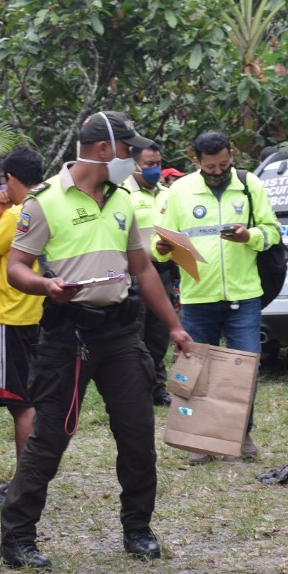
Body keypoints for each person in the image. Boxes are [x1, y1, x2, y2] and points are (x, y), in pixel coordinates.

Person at [0, 110, 192, 570]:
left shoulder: (122, 200)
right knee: (50, 436)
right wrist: (47, 286)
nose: (133, 158)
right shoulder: (45, 201)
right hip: (69, 335)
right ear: (104, 149)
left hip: (122, 333)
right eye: (128, 150)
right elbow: (16, 268)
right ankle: (17, 540)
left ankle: (138, 530)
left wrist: (176, 326)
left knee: (138, 434)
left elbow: (143, 270)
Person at [154, 130, 281, 463]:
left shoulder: (249, 184)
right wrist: (163, 248)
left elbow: (272, 232)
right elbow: (164, 246)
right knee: (197, 372)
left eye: (224, 164)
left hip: (244, 296)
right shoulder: (180, 191)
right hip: (198, 297)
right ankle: (201, 441)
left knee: (244, 371)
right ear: (196, 161)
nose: (218, 171)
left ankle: (241, 435)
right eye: (210, 166)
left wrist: (249, 235)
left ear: (231, 156)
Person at [0, 145, 46, 510]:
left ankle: (23, 484)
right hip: (35, 315)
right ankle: (28, 477)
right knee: (29, 398)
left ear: (11, 179)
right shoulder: (46, 205)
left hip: (8, 315)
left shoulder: (15, 214)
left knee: (20, 404)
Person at [124, 142, 178, 406]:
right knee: (137, 332)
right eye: (149, 165)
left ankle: (157, 388)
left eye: (158, 163)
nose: (155, 169)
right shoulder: (121, 195)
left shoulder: (169, 194)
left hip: (164, 271)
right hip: (134, 274)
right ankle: (138, 388)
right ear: (134, 165)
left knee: (159, 334)